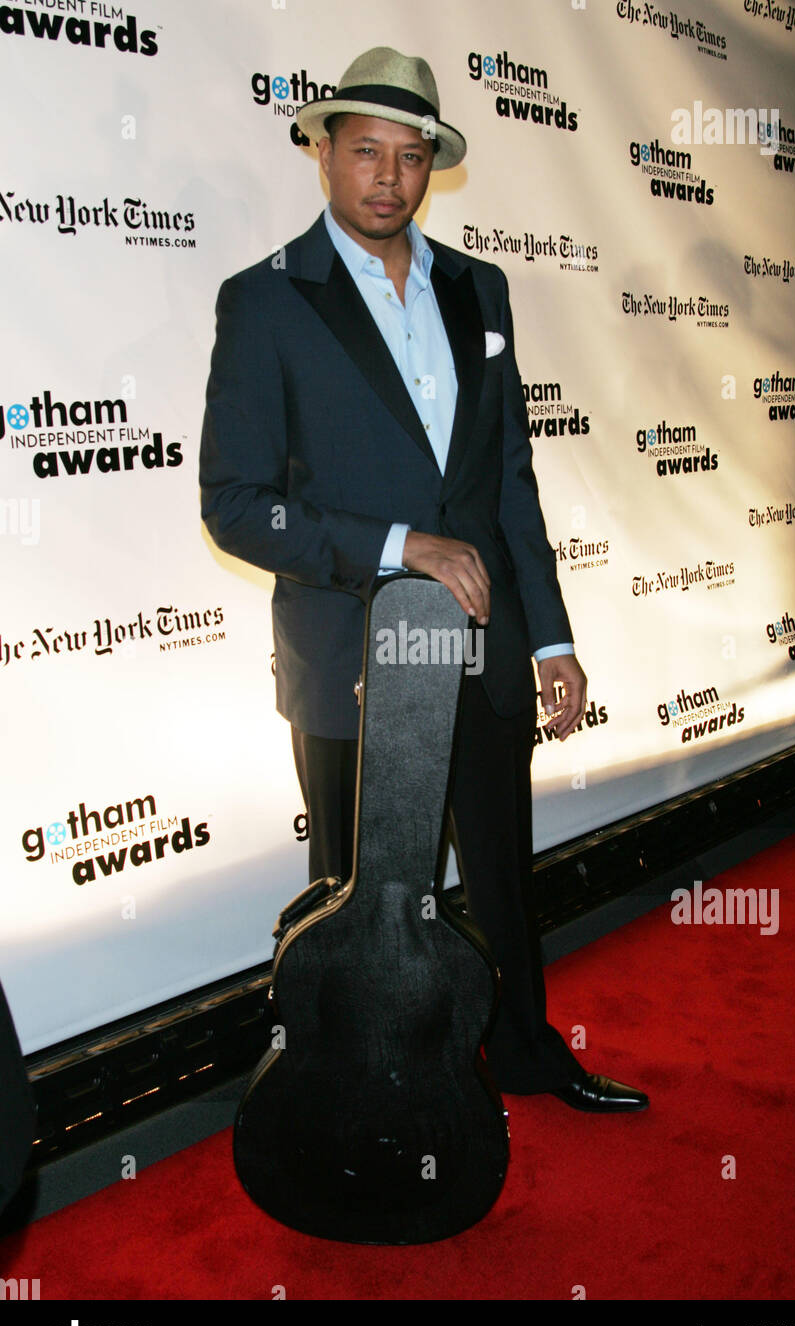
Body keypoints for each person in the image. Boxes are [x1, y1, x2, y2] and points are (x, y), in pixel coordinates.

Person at [200, 46, 647, 1113]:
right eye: (366, 152)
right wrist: (402, 544)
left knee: (500, 877)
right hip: (350, 658)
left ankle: (526, 1055)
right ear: (322, 153)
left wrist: (551, 636)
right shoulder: (265, 301)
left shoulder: (478, 288)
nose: (388, 177)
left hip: (484, 648)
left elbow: (507, 480)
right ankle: (367, 1100)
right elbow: (236, 504)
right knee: (361, 904)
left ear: (431, 165)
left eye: (409, 157)